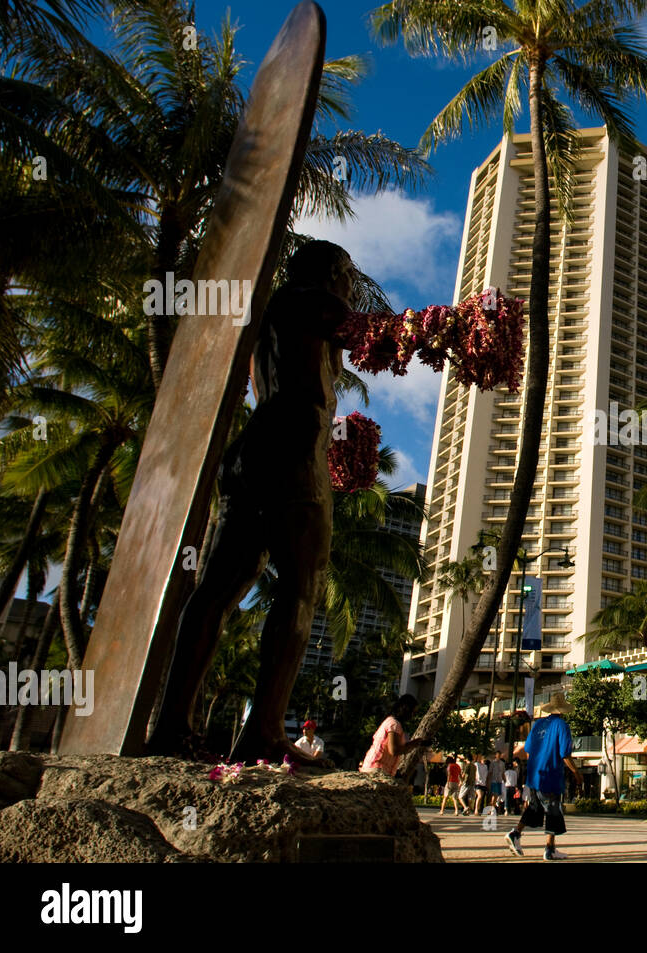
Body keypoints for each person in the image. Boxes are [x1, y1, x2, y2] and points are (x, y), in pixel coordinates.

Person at [148, 241, 361, 763]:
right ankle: (262, 731)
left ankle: (173, 725)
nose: (350, 289)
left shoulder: (274, 312)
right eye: (348, 279)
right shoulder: (313, 301)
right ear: (333, 273)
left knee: (219, 586)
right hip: (291, 459)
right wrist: (450, 327)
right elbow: (374, 333)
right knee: (299, 590)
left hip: (256, 451)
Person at [505, 692, 580, 861]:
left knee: (535, 808)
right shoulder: (562, 725)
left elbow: (528, 749)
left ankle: (516, 833)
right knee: (553, 810)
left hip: (535, 775)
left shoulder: (538, 725)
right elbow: (565, 753)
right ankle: (549, 849)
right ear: (562, 709)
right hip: (551, 775)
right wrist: (576, 773)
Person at [359, 695, 425, 777]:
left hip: (376, 769)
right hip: (377, 770)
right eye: (413, 712)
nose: (412, 716)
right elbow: (394, 750)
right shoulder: (394, 724)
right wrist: (413, 744)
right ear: (405, 709)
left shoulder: (390, 721)